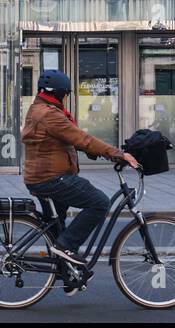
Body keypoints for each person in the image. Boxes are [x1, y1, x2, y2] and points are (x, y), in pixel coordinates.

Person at [21, 70, 136, 292]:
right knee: (99, 203)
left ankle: (69, 275)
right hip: (52, 179)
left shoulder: (42, 109)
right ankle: (66, 247)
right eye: (65, 94)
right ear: (59, 93)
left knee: (58, 230)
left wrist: (94, 152)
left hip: (43, 177)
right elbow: (82, 138)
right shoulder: (49, 114)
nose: (66, 98)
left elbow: (67, 141)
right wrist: (118, 155)